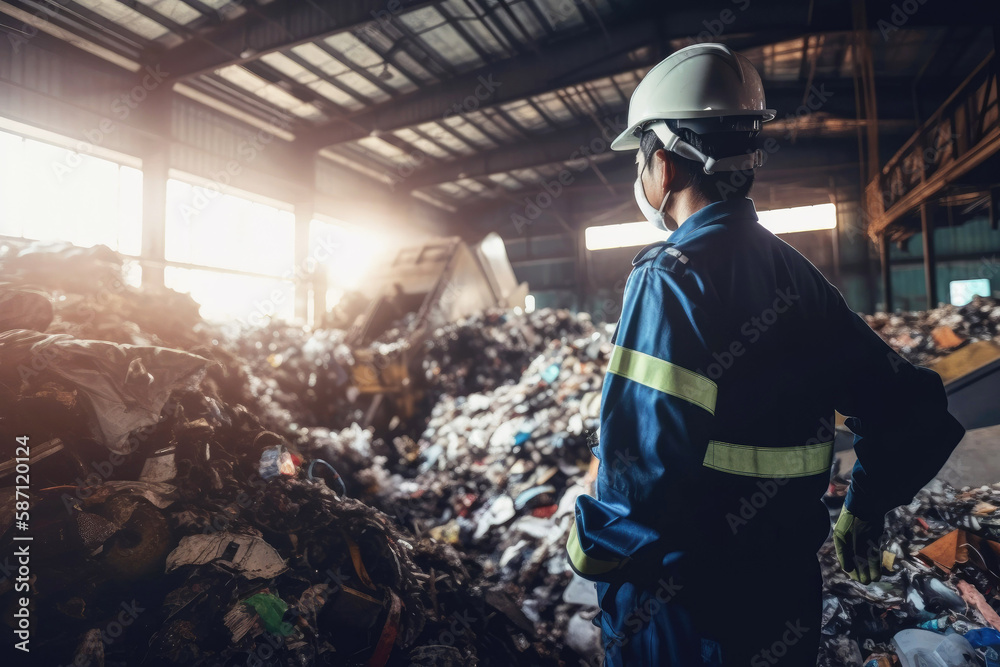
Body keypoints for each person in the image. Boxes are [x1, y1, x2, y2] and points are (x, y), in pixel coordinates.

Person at [566, 43, 965, 666]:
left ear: (665, 166)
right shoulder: (793, 274)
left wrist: (593, 553)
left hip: (685, 610)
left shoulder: (670, 276)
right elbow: (913, 407)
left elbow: (642, 467)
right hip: (782, 599)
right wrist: (865, 505)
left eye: (639, 158)